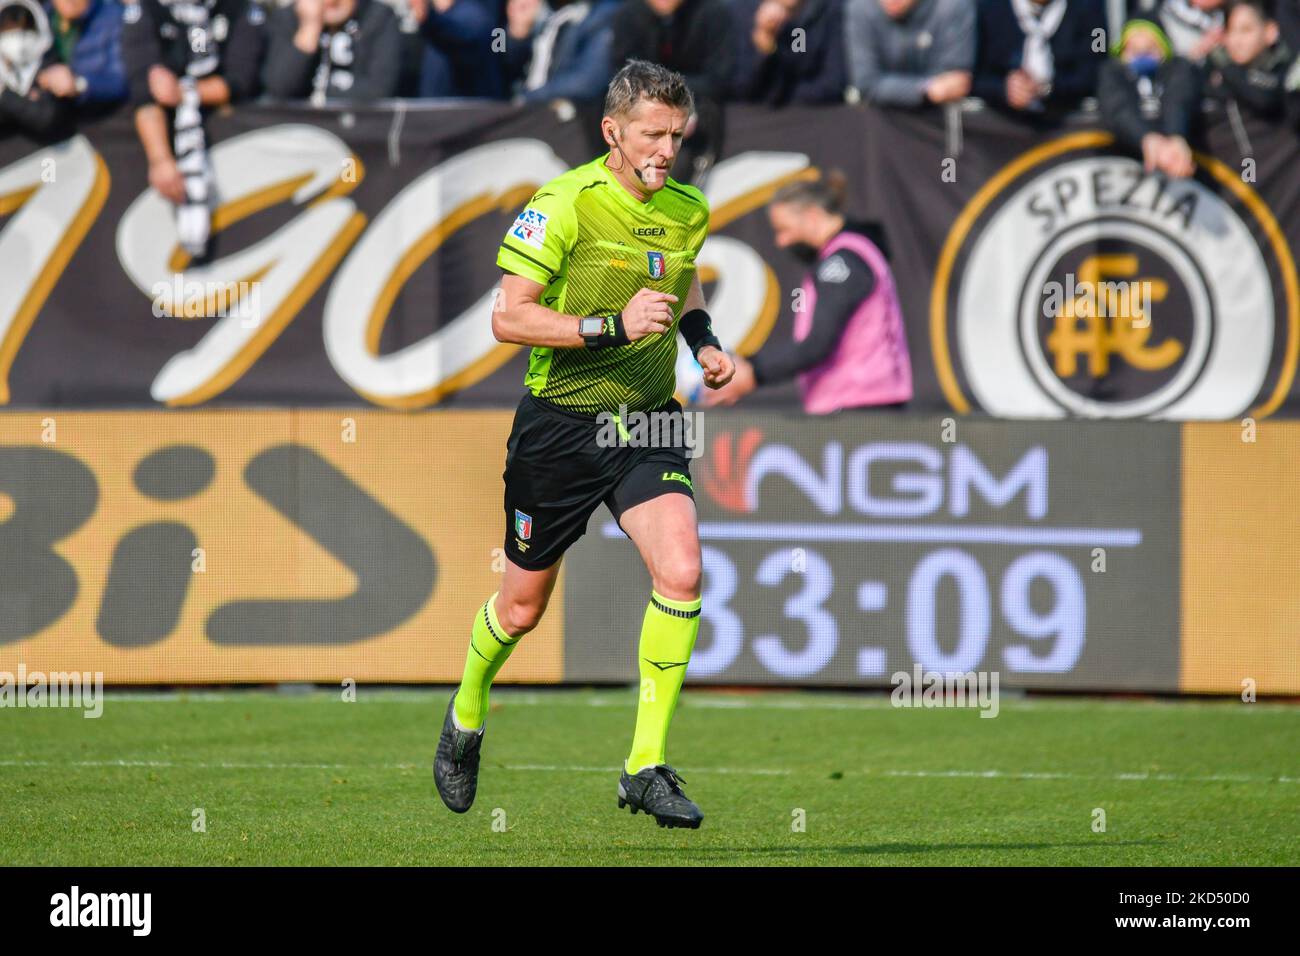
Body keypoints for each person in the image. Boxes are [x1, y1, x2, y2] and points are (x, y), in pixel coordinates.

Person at [433, 59, 736, 830]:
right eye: (652, 134)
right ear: (613, 132)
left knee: (684, 569)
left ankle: (644, 766)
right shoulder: (562, 202)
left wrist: (701, 340)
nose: (667, 149)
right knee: (522, 608)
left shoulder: (686, 207)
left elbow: (685, 279)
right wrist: (609, 325)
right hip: (560, 426)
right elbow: (509, 318)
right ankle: (467, 713)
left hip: (646, 420)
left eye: (677, 134)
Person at [701, 171, 913, 413]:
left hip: (860, 408)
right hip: (866, 404)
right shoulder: (854, 253)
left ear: (812, 216)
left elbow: (816, 345)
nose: (781, 241)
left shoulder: (842, 263)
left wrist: (753, 372)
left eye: (784, 229)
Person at [121, 0, 265, 257]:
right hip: (171, 152)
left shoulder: (240, 7)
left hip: (237, 151)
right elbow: (143, 91)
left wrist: (184, 92)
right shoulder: (148, 9)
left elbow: (242, 80)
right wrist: (160, 158)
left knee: (243, 246)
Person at [1097, 17, 1200, 177]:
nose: (1141, 57)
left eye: (1150, 49)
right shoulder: (1111, 72)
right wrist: (1146, 138)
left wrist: (1176, 136)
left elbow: (1179, 99)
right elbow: (1117, 106)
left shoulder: (1179, 69)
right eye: (1133, 50)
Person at [972, 0, 1106, 117]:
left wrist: (1048, 88)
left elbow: (1098, 69)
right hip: (999, 126)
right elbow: (971, 75)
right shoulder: (988, 9)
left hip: (1069, 123)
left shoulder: (1090, 10)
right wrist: (1003, 88)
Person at [262, 0, 401, 102]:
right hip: (296, 129)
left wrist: (319, 94)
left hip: (358, 130)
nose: (330, 2)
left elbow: (379, 90)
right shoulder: (289, 18)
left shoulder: (378, 17)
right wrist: (309, 28)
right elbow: (278, 89)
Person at [844, 0, 975, 108]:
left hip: (940, 123)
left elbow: (954, 82)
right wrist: (925, 89)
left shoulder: (952, 6)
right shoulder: (860, 7)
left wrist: (891, 88)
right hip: (879, 123)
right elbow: (867, 84)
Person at [732, 0, 849, 106]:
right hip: (754, 116)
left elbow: (831, 83)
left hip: (808, 113)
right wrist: (764, 46)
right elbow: (741, 88)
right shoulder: (742, 11)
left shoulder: (827, 10)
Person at [1202, 0, 1291, 120]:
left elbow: (1267, 99)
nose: (1236, 40)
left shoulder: (1286, 70)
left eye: (1246, 30)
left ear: (1271, 31)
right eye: (1230, 31)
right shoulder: (1210, 72)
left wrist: (1227, 68)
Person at [41, 0, 128, 113]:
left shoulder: (113, 17)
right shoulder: (39, 16)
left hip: (103, 116)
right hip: (50, 115)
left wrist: (79, 84)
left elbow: (122, 80)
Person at [0, 0, 71, 136]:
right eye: (9, 31)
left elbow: (45, 118)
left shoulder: (51, 64)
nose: (17, 40)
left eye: (24, 30)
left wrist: (5, 95)